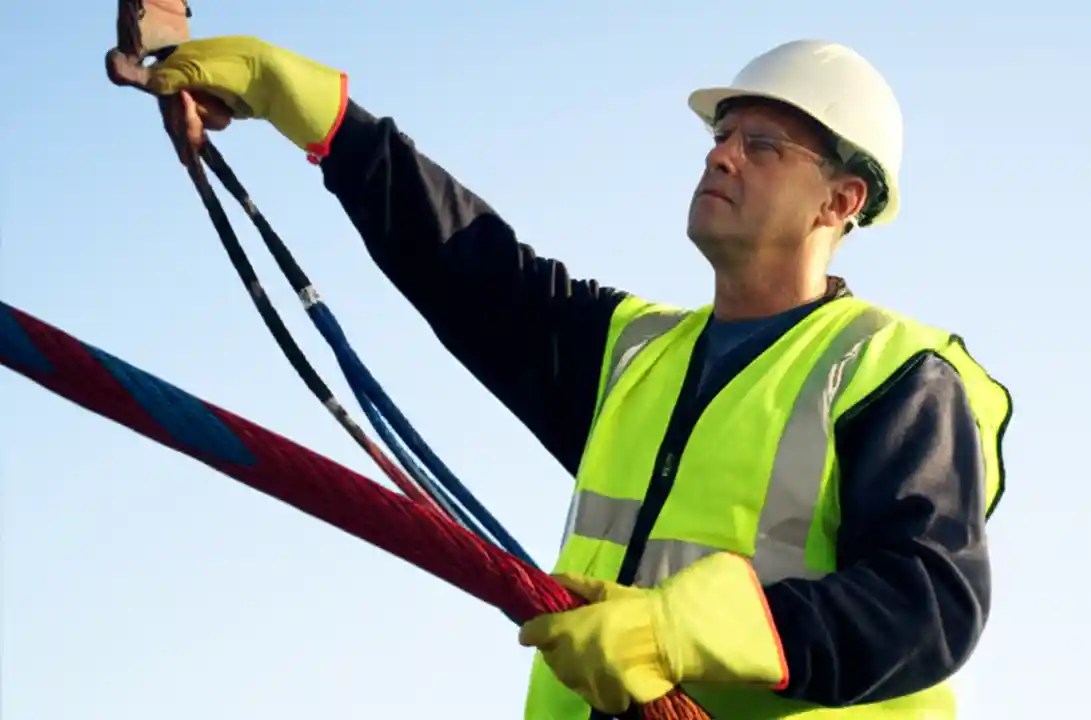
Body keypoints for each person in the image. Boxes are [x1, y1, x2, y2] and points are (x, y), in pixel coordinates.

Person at [148, 34, 1013, 720]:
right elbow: (475, 269)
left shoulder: (895, 373)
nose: (721, 158)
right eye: (720, 138)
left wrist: (679, 629)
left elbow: (927, 600)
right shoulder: (635, 353)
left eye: (762, 145)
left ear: (841, 202)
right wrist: (316, 109)